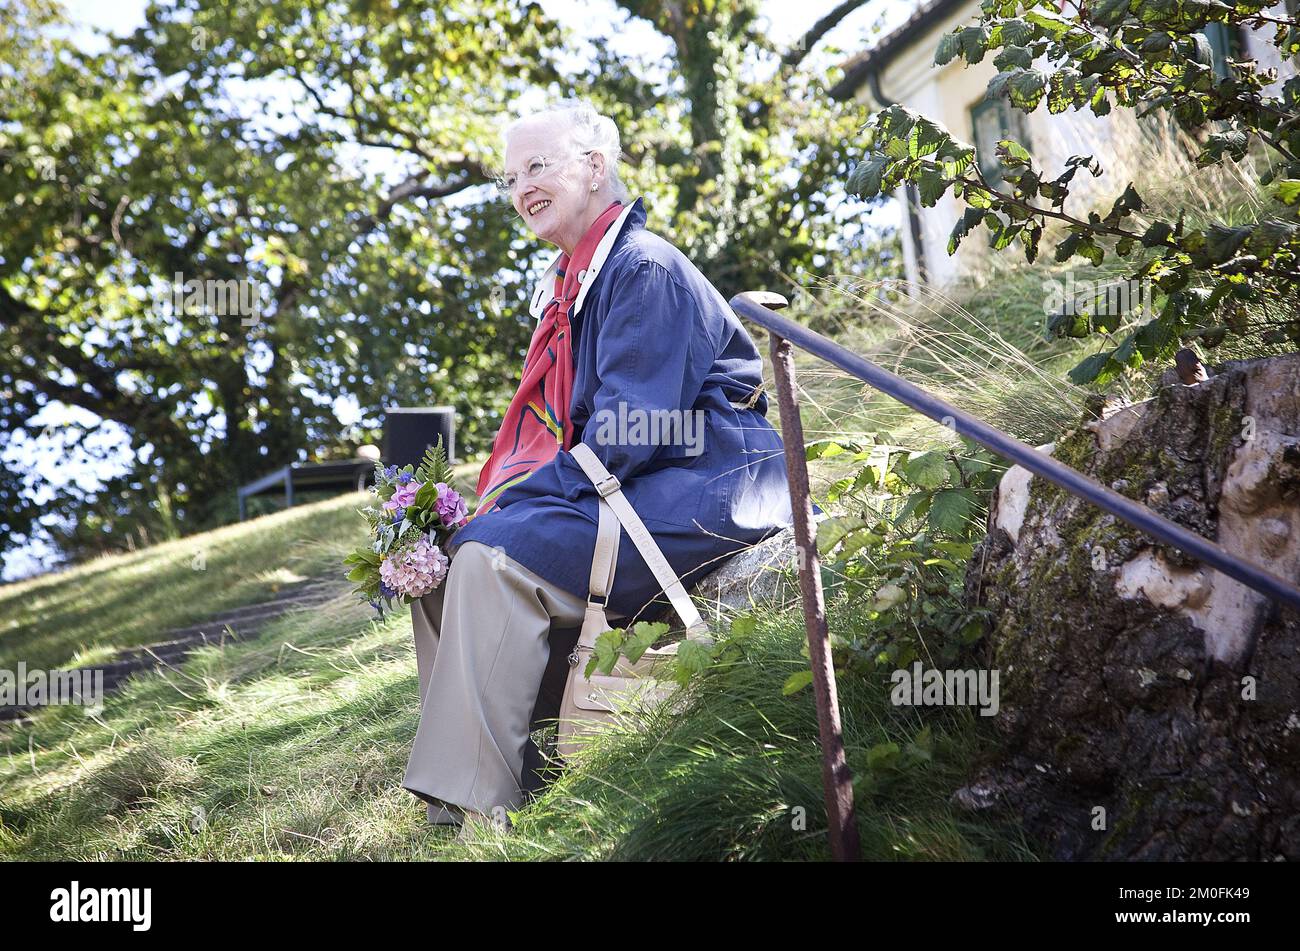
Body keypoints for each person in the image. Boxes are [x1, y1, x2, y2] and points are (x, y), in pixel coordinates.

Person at [402, 98, 794, 831]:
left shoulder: (642, 268)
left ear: (594, 165)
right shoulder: (574, 288)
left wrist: (510, 509)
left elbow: (627, 432)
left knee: (489, 555)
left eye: (537, 165)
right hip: (637, 487)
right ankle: (488, 779)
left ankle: (476, 805)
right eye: (509, 175)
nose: (520, 187)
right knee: (443, 568)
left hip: (711, 486)